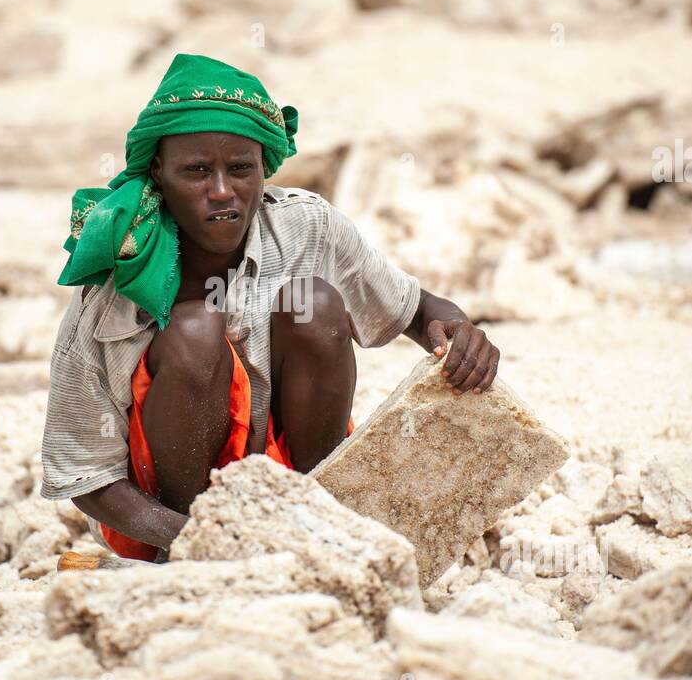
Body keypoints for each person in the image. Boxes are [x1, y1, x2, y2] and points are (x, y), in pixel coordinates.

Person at [40, 53, 500, 562]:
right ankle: (192, 554)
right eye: (195, 172)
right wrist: (203, 540)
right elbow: (86, 476)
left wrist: (458, 334)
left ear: (263, 170)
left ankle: (316, 518)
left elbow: (418, 311)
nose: (222, 192)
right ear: (158, 174)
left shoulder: (305, 226)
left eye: (240, 169)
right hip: (164, 522)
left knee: (314, 304)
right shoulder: (111, 284)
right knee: (194, 329)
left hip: (290, 491)